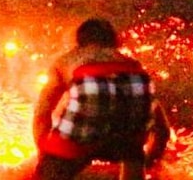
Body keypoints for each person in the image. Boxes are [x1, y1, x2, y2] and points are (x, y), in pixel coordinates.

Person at [34, 18, 170, 180]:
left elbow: (42, 113)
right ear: (114, 41)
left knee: (48, 173)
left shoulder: (67, 60)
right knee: (133, 151)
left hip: (85, 123)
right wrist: (148, 162)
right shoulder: (134, 66)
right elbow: (162, 130)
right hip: (128, 132)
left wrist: (45, 154)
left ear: (79, 41)